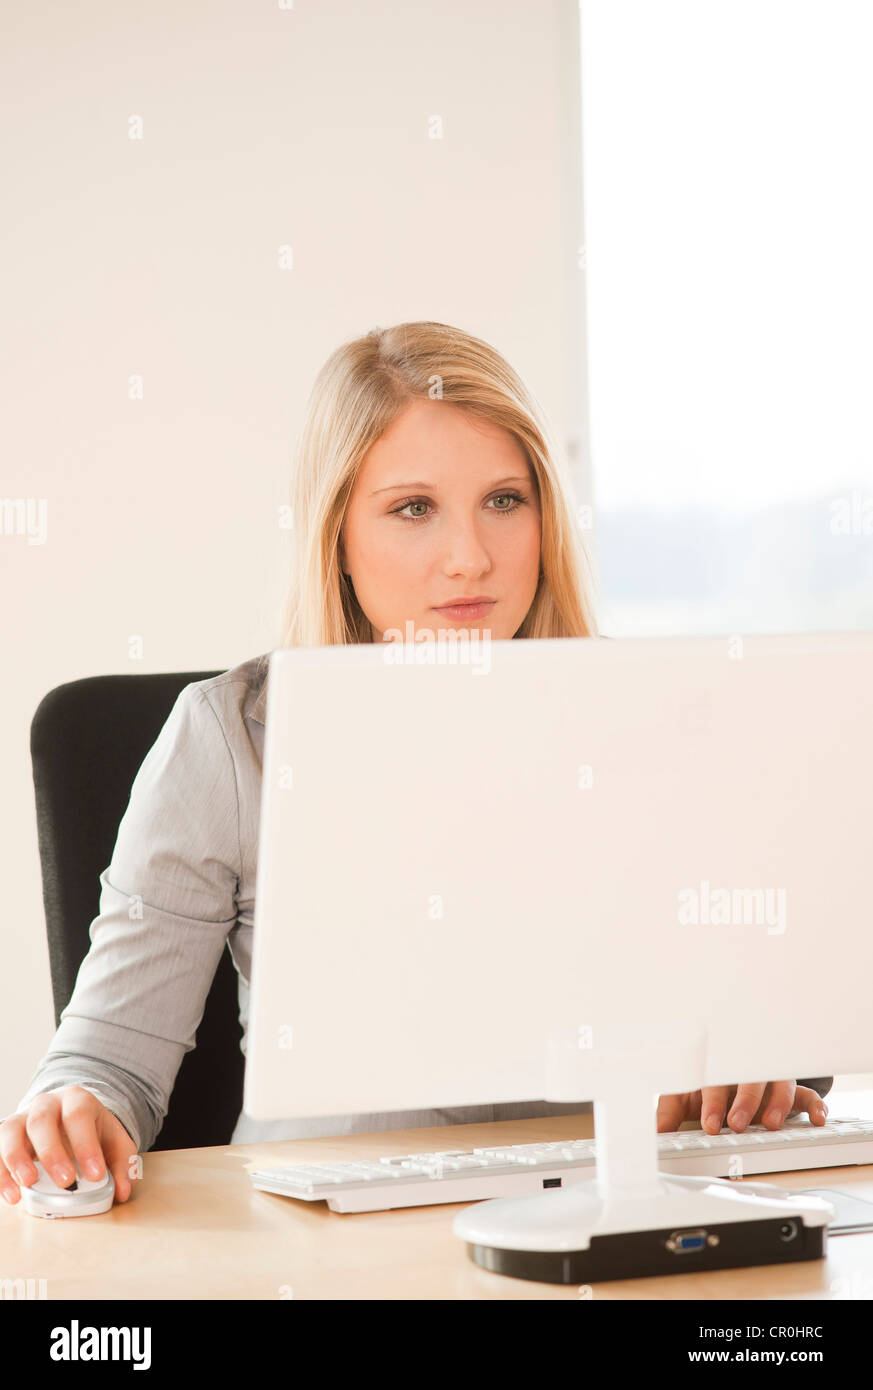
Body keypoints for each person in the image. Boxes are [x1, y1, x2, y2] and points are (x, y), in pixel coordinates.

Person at [0, 321, 831, 1207]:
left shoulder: (652, 721)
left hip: (604, 1214)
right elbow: (106, 1062)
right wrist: (74, 1109)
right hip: (326, 1235)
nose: (469, 557)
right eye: (411, 508)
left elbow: (752, 1016)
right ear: (337, 537)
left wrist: (745, 1070)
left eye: (505, 501)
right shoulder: (233, 739)